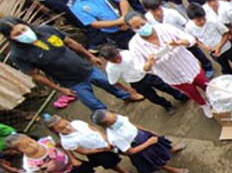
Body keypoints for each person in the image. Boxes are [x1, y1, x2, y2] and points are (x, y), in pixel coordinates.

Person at [1, 16, 137, 112]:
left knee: (109, 84)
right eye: (17, 34)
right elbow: (35, 75)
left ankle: (128, 96)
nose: (24, 34)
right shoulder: (18, 54)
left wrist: (89, 56)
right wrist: (59, 89)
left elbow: (70, 42)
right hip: (72, 82)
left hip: (85, 68)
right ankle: (110, 119)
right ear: (10, 38)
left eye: (23, 29)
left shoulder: (45, 30)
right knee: (92, 103)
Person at [125, 11, 213, 118]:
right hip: (172, 76)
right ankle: (204, 105)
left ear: (146, 20)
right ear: (132, 30)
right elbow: (141, 68)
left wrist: (180, 42)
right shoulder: (134, 45)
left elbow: (191, 40)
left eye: (142, 24)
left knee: (206, 85)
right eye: (137, 27)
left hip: (189, 66)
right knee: (191, 92)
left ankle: (214, 100)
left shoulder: (165, 28)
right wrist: (149, 63)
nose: (141, 28)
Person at [91, 109, 188, 173]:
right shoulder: (114, 137)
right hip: (140, 147)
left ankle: (172, 149)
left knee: (161, 144)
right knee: (155, 161)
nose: (117, 120)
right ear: (107, 125)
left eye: (115, 117)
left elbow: (132, 125)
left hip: (143, 135)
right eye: (113, 121)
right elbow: (130, 152)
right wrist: (148, 143)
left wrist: (147, 131)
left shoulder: (118, 118)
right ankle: (172, 170)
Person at [100, 44, 189, 115]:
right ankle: (166, 105)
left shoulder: (127, 53)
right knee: (153, 97)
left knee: (165, 86)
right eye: (114, 60)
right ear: (108, 60)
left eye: (118, 57)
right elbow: (114, 82)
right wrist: (127, 89)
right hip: (137, 83)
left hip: (147, 74)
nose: (118, 60)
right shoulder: (111, 69)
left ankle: (179, 96)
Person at [57, 0, 134, 50]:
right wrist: (120, 22)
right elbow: (94, 24)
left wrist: (124, 18)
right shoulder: (74, 5)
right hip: (114, 32)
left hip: (130, 21)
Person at [144, 0, 215, 78]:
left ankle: (207, 66)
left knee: (197, 53)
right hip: (169, 45)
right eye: (154, 11)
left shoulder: (172, 13)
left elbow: (184, 23)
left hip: (183, 40)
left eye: (159, 9)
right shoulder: (147, 19)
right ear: (148, 10)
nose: (158, 12)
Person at [44, 114, 133, 173]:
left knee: (124, 149)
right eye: (62, 129)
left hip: (104, 141)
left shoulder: (77, 123)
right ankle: (123, 172)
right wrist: (102, 149)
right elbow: (83, 151)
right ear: (56, 131)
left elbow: (94, 128)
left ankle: (136, 159)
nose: (67, 128)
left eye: (67, 124)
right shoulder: (66, 142)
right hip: (95, 152)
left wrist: (106, 139)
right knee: (110, 163)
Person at [185, 3, 232, 84]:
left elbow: (225, 33)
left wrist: (218, 47)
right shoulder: (189, 27)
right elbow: (195, 39)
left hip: (226, 47)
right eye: (198, 20)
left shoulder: (213, 21)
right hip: (213, 52)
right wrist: (204, 46)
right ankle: (231, 81)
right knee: (225, 67)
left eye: (203, 18)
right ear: (191, 19)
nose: (202, 21)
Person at [6, 134, 96, 173]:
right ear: (18, 152)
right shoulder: (30, 164)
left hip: (73, 163)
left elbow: (62, 145)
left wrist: (72, 158)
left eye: (31, 141)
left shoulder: (45, 142)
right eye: (26, 147)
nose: (32, 146)